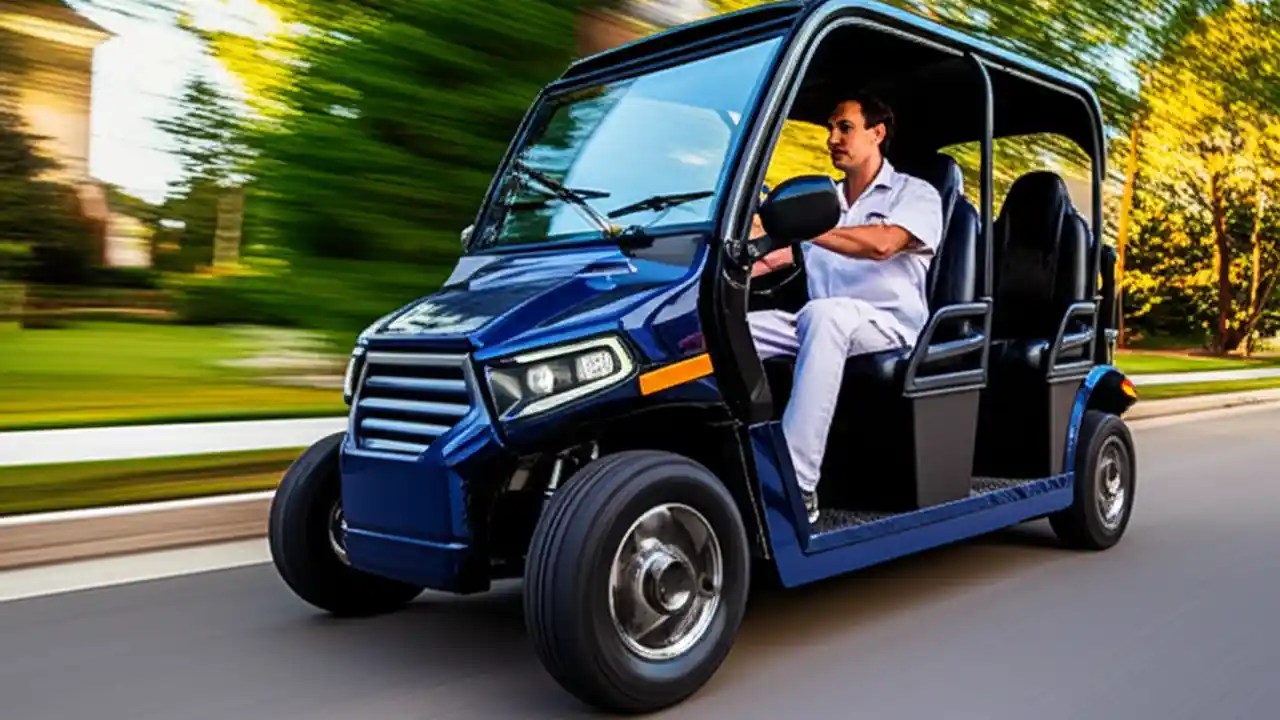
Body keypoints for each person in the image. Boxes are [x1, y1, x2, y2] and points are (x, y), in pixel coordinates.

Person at [748, 93, 943, 524]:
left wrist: (804, 227)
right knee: (727, 330)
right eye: (830, 129)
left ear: (877, 133)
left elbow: (884, 244)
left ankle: (796, 486)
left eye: (845, 128)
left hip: (888, 328)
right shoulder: (824, 201)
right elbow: (778, 257)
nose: (832, 138)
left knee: (825, 316)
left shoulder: (915, 193)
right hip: (818, 325)